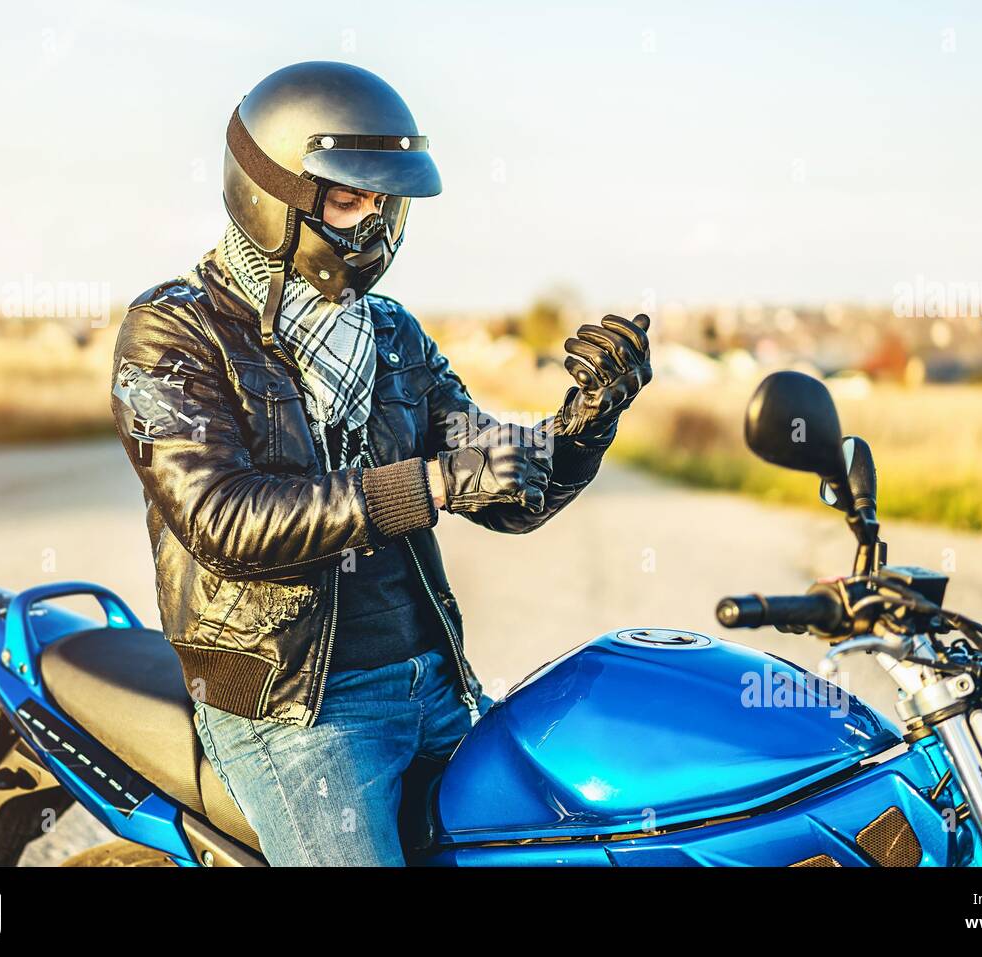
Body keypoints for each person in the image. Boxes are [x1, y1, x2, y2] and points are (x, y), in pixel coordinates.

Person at [109, 61, 651, 865]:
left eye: (382, 201)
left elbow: (502, 486)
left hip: (432, 682)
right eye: (346, 198)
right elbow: (224, 520)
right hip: (298, 710)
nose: (372, 224)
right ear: (276, 193)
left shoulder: (390, 332)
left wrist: (582, 426)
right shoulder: (175, 332)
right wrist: (428, 484)